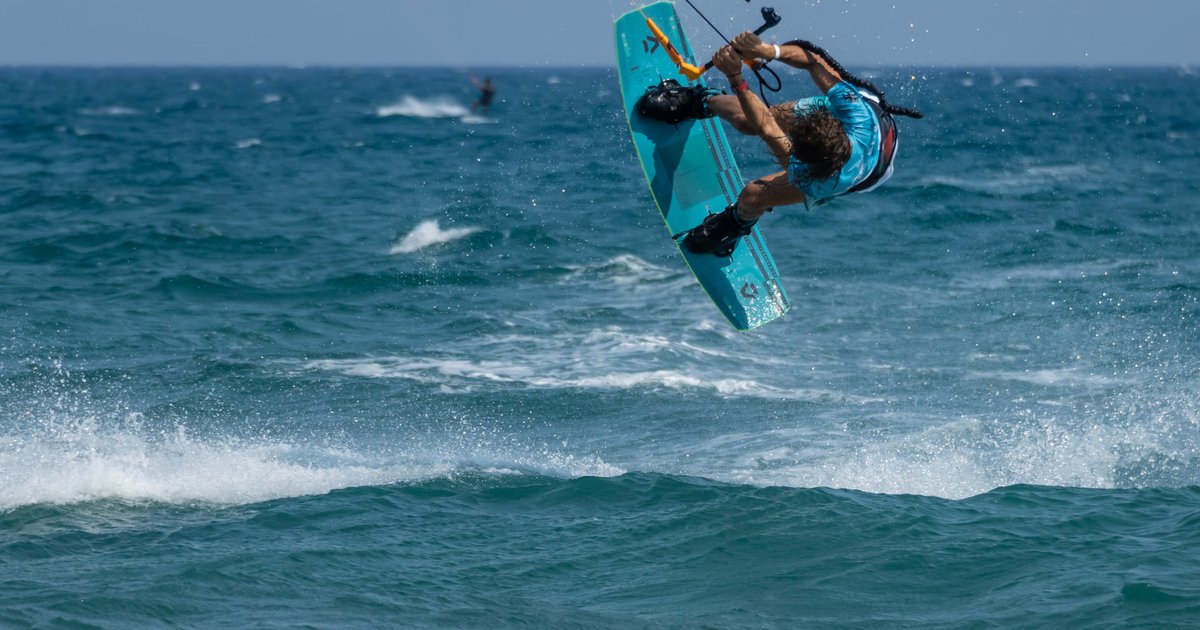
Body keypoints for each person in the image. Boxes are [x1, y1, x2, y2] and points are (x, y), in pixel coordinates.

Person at [637, 31, 917, 256]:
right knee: (749, 121)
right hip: (865, 126)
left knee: (753, 194)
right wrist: (768, 51)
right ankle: (701, 99)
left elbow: (769, 130)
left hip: (867, 170)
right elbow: (812, 60)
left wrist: (735, 77)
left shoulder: (819, 180)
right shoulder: (852, 110)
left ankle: (735, 226)